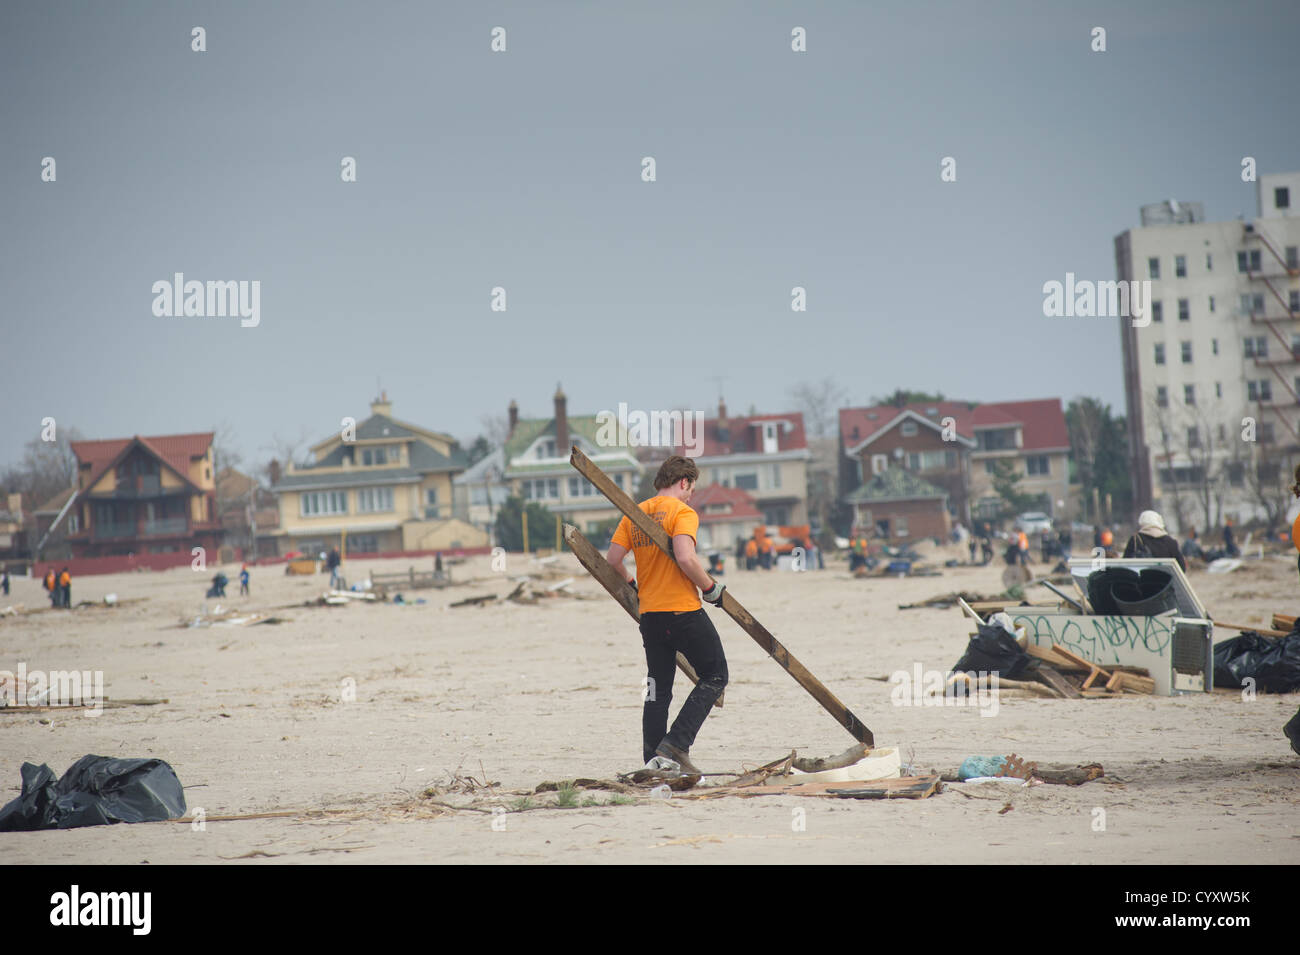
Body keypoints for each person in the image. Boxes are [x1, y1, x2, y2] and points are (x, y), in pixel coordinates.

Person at [605, 455, 727, 775]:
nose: (691, 496)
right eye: (691, 489)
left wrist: (633, 583)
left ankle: (653, 760)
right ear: (683, 481)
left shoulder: (635, 513)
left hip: (650, 616)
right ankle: (676, 745)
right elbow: (686, 558)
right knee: (715, 674)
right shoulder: (682, 512)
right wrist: (710, 588)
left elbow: (614, 558)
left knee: (657, 688)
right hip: (682, 610)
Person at [1121, 510, 1186, 571]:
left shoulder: (1135, 540)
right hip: (1165, 581)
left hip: (1142, 581)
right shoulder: (1171, 542)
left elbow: (1125, 564)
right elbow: (1182, 568)